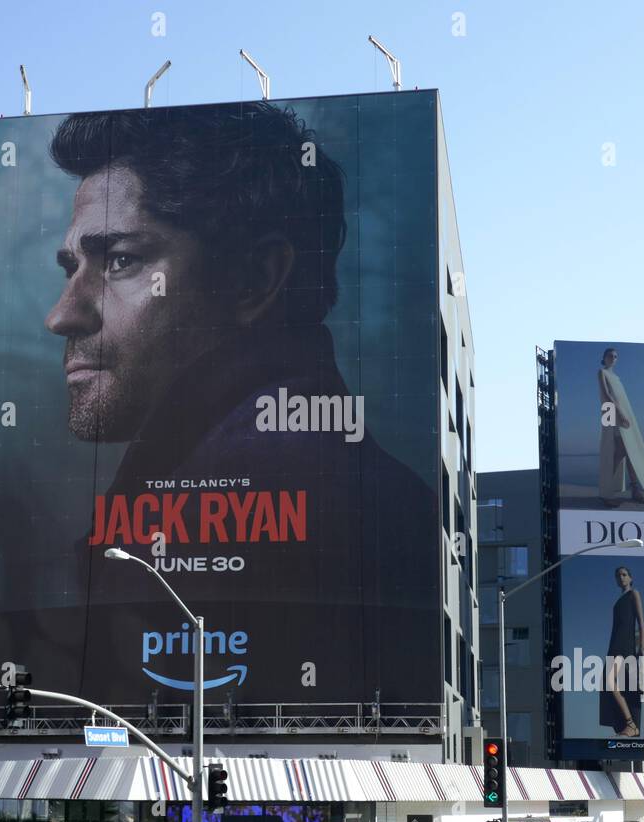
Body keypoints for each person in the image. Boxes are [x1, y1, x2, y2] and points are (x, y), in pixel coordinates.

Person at [30, 101, 436, 701]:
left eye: (120, 260)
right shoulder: (359, 483)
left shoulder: (271, 489)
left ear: (254, 279)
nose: (62, 315)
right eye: (72, 267)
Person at [597, 348, 644, 506]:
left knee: (630, 452)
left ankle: (635, 490)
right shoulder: (602, 373)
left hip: (621, 413)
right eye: (610, 356)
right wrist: (620, 414)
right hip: (610, 413)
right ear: (604, 358)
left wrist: (626, 414)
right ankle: (606, 492)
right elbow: (607, 395)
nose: (614, 358)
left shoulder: (617, 377)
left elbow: (620, 398)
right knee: (616, 452)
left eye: (616, 356)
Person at [602, 565, 644, 736]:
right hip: (614, 645)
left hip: (624, 645)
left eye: (624, 574)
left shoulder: (634, 594)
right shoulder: (618, 600)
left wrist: (641, 646)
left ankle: (632, 724)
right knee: (613, 684)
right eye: (618, 575)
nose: (621, 578)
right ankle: (629, 724)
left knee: (613, 683)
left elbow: (641, 622)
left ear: (630, 577)